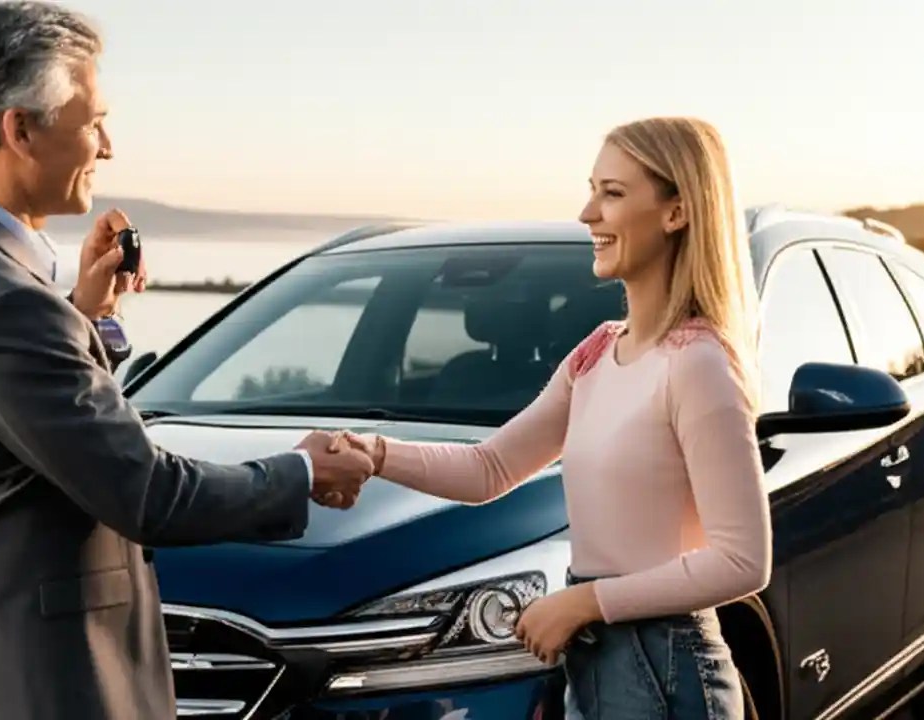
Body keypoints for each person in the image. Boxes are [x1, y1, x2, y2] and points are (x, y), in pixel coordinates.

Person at [0, 3, 373, 719]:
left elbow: (8, 441)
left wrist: (89, 318)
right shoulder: (9, 305)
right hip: (33, 683)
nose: (106, 146)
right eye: (91, 121)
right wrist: (301, 471)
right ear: (21, 130)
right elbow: (147, 494)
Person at [323, 117, 771, 719]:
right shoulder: (598, 353)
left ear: (677, 212)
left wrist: (584, 603)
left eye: (613, 193)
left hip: (663, 664)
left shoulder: (698, 363)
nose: (588, 212)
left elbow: (744, 561)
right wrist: (374, 452)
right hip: (601, 662)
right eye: (592, 190)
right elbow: (490, 468)